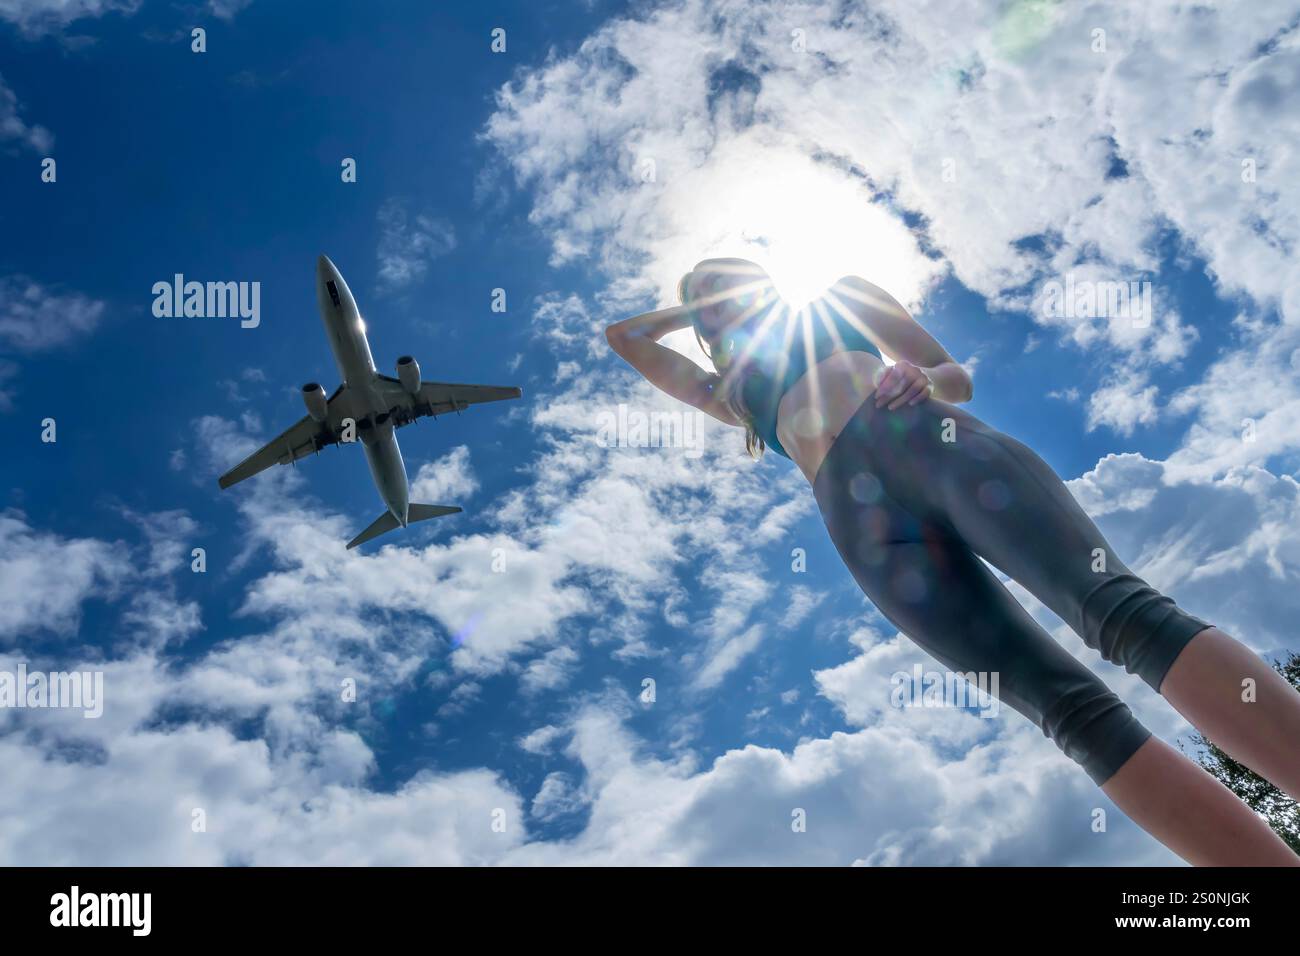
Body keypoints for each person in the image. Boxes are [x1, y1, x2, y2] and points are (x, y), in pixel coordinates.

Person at [606, 256, 1300, 865]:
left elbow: (954, 375)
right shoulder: (730, 396)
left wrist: (921, 375)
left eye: (726, 280)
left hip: (927, 436)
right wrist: (694, 302)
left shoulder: (840, 295)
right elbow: (626, 338)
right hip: (866, 532)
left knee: (1120, 613)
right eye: (704, 298)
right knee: (1073, 718)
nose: (717, 297)